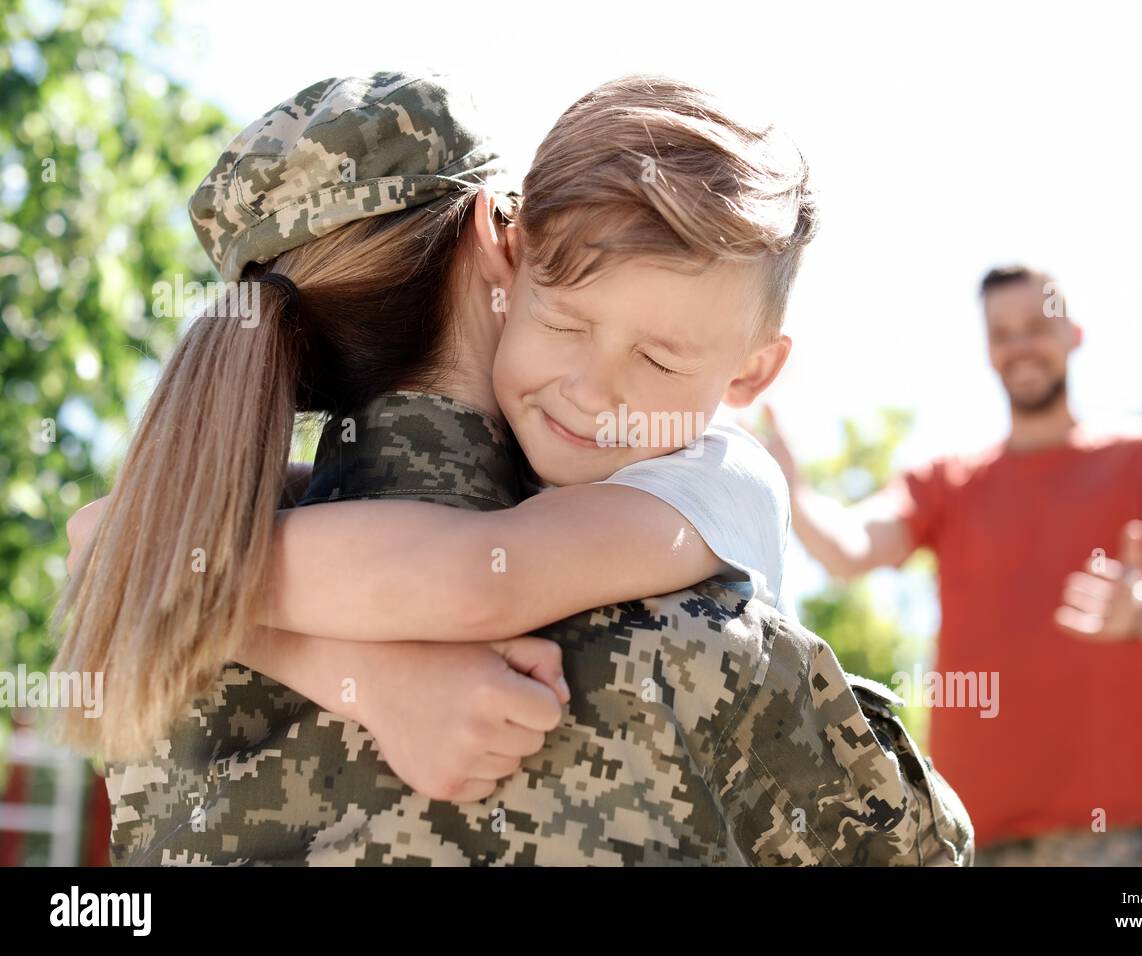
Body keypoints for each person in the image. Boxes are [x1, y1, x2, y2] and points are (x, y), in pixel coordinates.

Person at [58, 71, 972, 866]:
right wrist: (376, 684)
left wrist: (316, 655)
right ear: (509, 246)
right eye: (568, 324)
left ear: (749, 374)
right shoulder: (698, 649)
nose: (594, 390)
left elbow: (135, 546)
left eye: (657, 361)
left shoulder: (714, 477)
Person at [759, 265, 1142, 866]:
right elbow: (850, 550)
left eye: (1036, 326)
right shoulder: (948, 483)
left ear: (1074, 334)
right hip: (979, 842)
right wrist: (792, 492)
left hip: (1136, 838)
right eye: (1002, 333)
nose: (1019, 346)